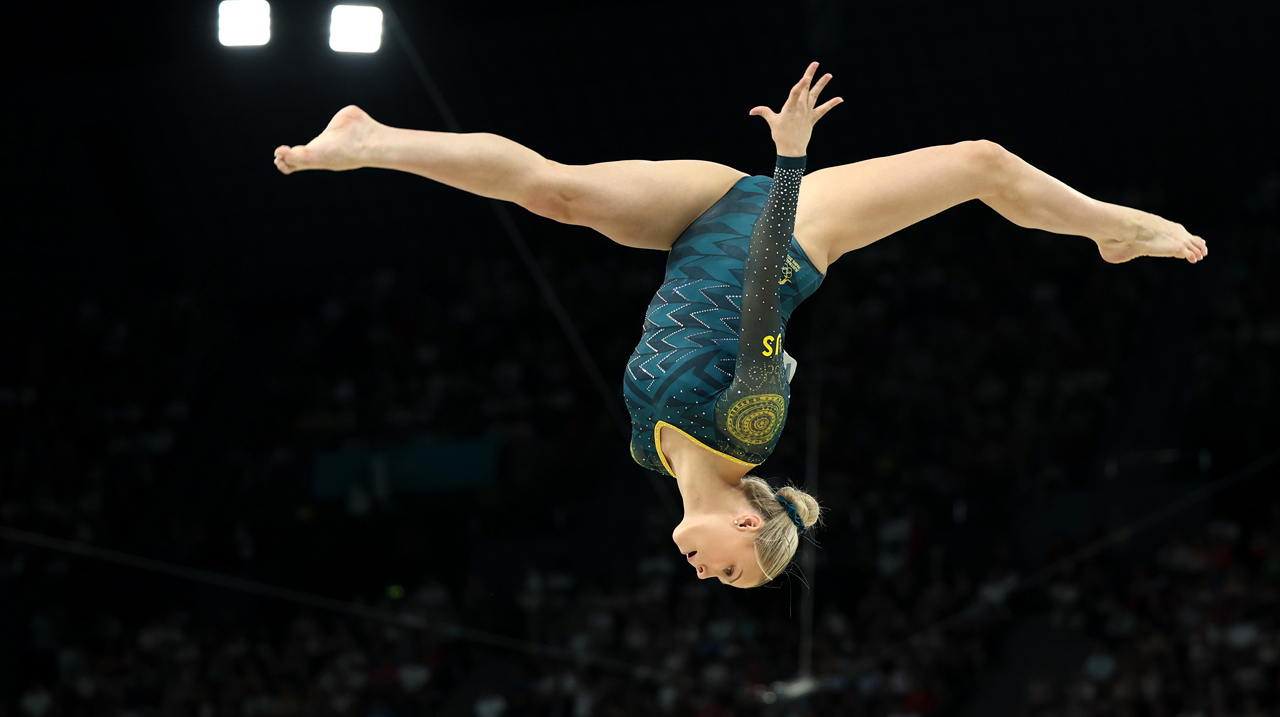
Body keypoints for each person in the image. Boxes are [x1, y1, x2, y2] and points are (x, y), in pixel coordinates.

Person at [274, 62, 1207, 588]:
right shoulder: (749, 429)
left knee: (555, 193)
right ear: (747, 519)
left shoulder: (650, 455)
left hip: (691, 227)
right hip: (781, 232)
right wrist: (791, 163)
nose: (705, 575)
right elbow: (762, 295)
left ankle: (370, 142)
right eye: (729, 572)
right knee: (980, 161)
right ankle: (1113, 229)